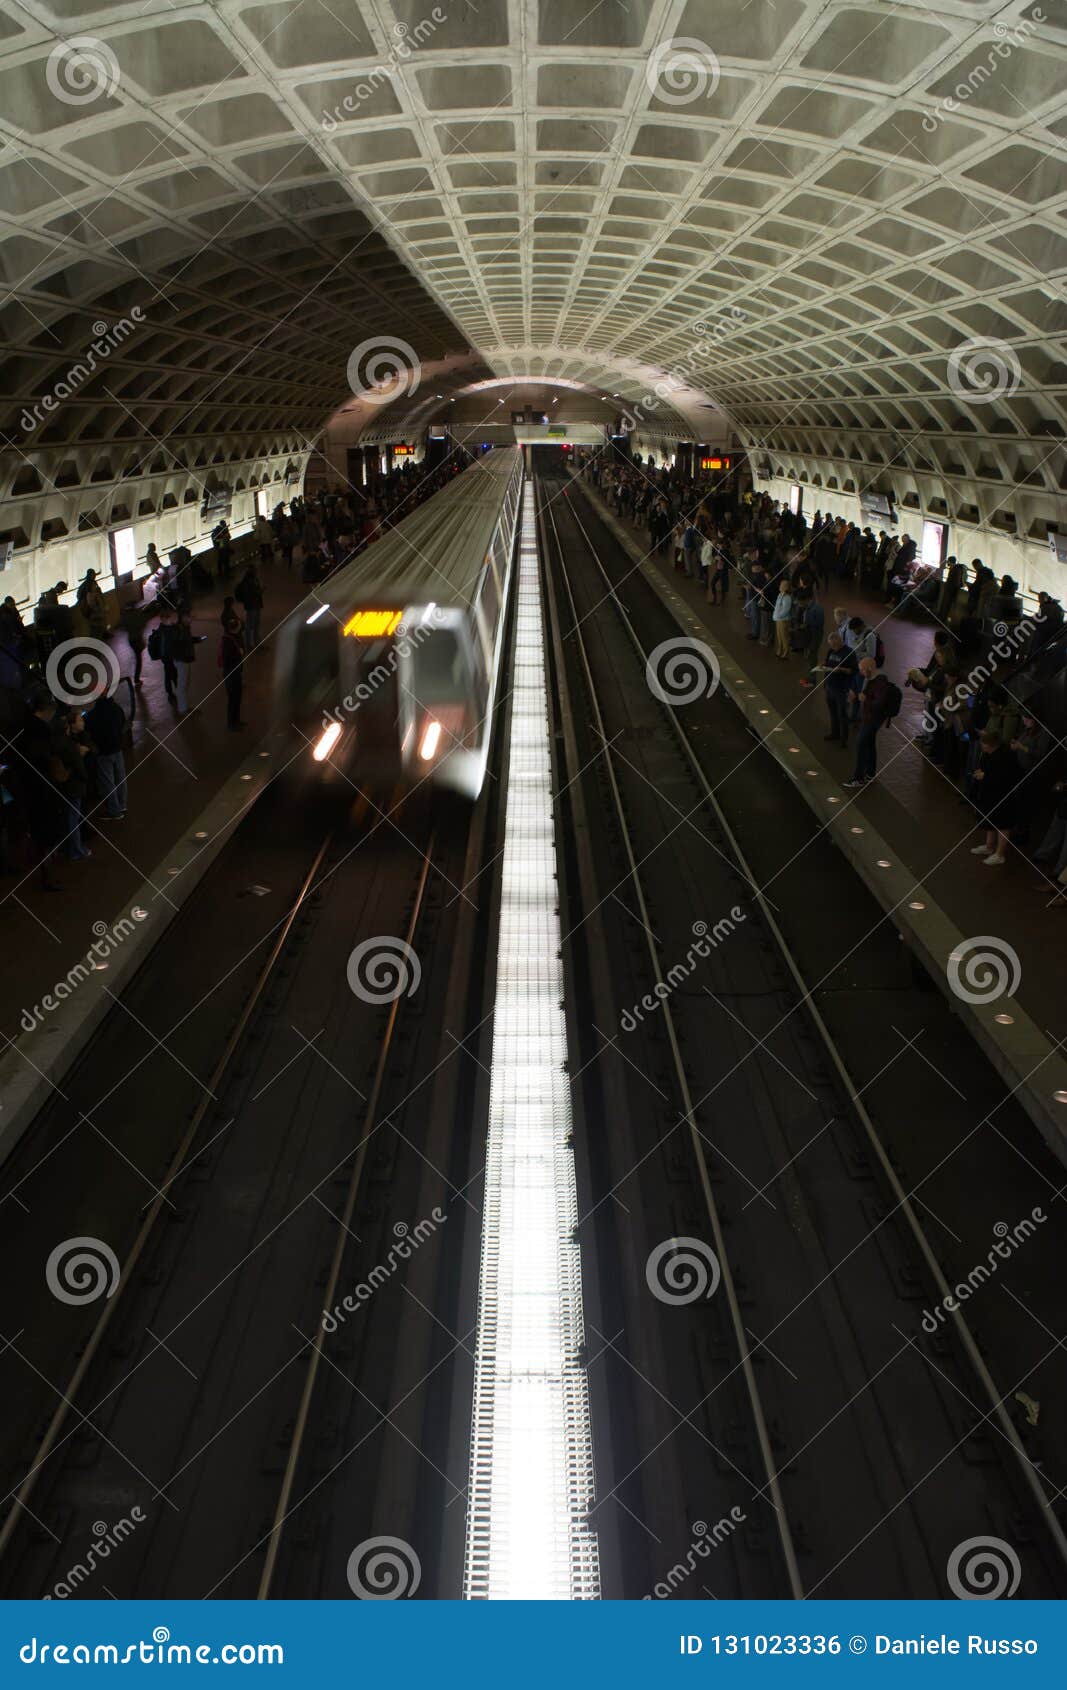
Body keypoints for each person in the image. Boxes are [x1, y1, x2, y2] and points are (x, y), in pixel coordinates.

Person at [18, 690, 65, 888]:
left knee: (38, 831)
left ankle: (44, 870)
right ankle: (48, 876)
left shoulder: (23, 726)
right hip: (42, 788)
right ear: (45, 709)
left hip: (29, 787)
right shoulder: (42, 731)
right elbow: (45, 756)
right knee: (46, 832)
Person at [969, 729, 1021, 866]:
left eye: (984, 743)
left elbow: (1006, 778)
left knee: (1003, 825)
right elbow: (985, 769)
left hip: (1003, 796)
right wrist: (980, 773)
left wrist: (985, 776)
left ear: (991, 744)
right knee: (990, 820)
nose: (982, 745)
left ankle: (1000, 854)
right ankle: (989, 846)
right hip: (990, 794)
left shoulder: (1006, 756)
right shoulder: (988, 754)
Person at [844, 658, 895, 787]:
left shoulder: (880, 683)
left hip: (873, 719)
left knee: (860, 744)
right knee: (870, 744)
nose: (860, 672)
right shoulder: (870, 679)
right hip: (868, 717)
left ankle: (858, 778)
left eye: (862, 670)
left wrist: (865, 699)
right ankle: (870, 774)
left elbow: (879, 704)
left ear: (869, 669)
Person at [85, 686, 128, 819]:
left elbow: (89, 730)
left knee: (108, 781)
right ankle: (122, 804)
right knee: (121, 777)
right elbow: (123, 724)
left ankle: (114, 810)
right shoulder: (117, 708)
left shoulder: (93, 715)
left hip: (103, 751)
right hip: (117, 748)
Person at [819, 633, 857, 747]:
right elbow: (827, 663)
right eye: (831, 645)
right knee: (833, 712)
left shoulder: (849, 652)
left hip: (842, 688)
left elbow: (853, 671)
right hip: (830, 686)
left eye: (835, 645)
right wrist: (823, 665)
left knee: (842, 713)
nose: (833, 648)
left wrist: (841, 669)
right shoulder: (831, 651)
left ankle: (844, 739)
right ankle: (834, 733)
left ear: (840, 641)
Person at [219, 601, 246, 730]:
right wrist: (239, 653)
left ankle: (236, 720)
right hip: (231, 674)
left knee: (237, 698)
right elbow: (228, 658)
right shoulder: (228, 641)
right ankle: (231, 723)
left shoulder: (233, 636)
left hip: (235, 672)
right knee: (233, 699)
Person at [172, 609, 199, 715]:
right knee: (182, 684)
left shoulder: (184, 628)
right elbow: (180, 643)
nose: (191, 619)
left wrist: (195, 640)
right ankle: (182, 709)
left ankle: (184, 706)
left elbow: (186, 641)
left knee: (185, 683)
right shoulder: (180, 629)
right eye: (189, 617)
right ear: (183, 618)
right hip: (181, 660)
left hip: (185, 659)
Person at [235, 565, 264, 651]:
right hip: (251, 606)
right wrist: (260, 591)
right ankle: (249, 645)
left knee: (256, 624)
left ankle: (256, 642)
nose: (256, 572)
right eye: (255, 570)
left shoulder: (255, 579)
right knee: (250, 626)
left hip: (256, 605)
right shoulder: (247, 582)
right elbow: (250, 595)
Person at [76, 569, 107, 640]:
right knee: (96, 626)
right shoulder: (88, 586)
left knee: (95, 626)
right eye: (94, 575)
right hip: (91, 610)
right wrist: (97, 608)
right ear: (91, 575)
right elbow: (91, 600)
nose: (95, 576)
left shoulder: (88, 584)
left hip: (89, 610)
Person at [772, 580, 793, 659]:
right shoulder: (780, 595)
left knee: (784, 637)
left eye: (782, 585)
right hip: (778, 619)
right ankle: (780, 649)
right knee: (779, 636)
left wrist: (778, 615)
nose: (780, 586)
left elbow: (785, 610)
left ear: (786, 587)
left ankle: (786, 652)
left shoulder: (787, 598)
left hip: (783, 620)